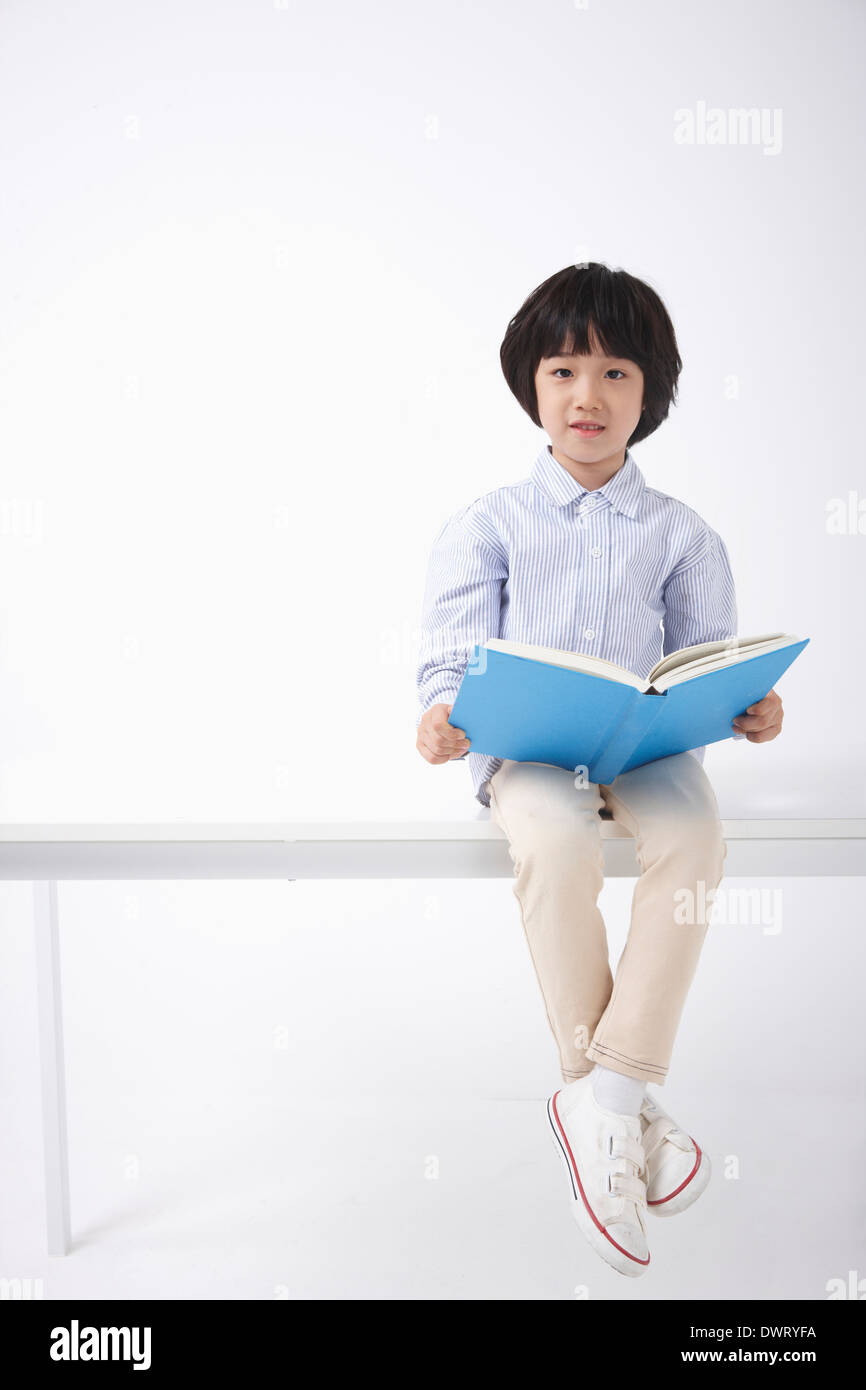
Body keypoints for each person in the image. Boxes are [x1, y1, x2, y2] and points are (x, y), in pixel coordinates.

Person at [414, 263, 784, 1278]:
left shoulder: (680, 535)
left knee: (694, 837)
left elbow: (710, 657)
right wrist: (441, 720)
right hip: (530, 753)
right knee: (555, 839)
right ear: (529, 385)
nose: (587, 395)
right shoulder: (486, 523)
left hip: (649, 748)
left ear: (648, 394)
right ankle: (609, 1096)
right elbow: (448, 660)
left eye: (614, 372)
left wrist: (751, 708)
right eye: (564, 368)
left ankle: (600, 1098)